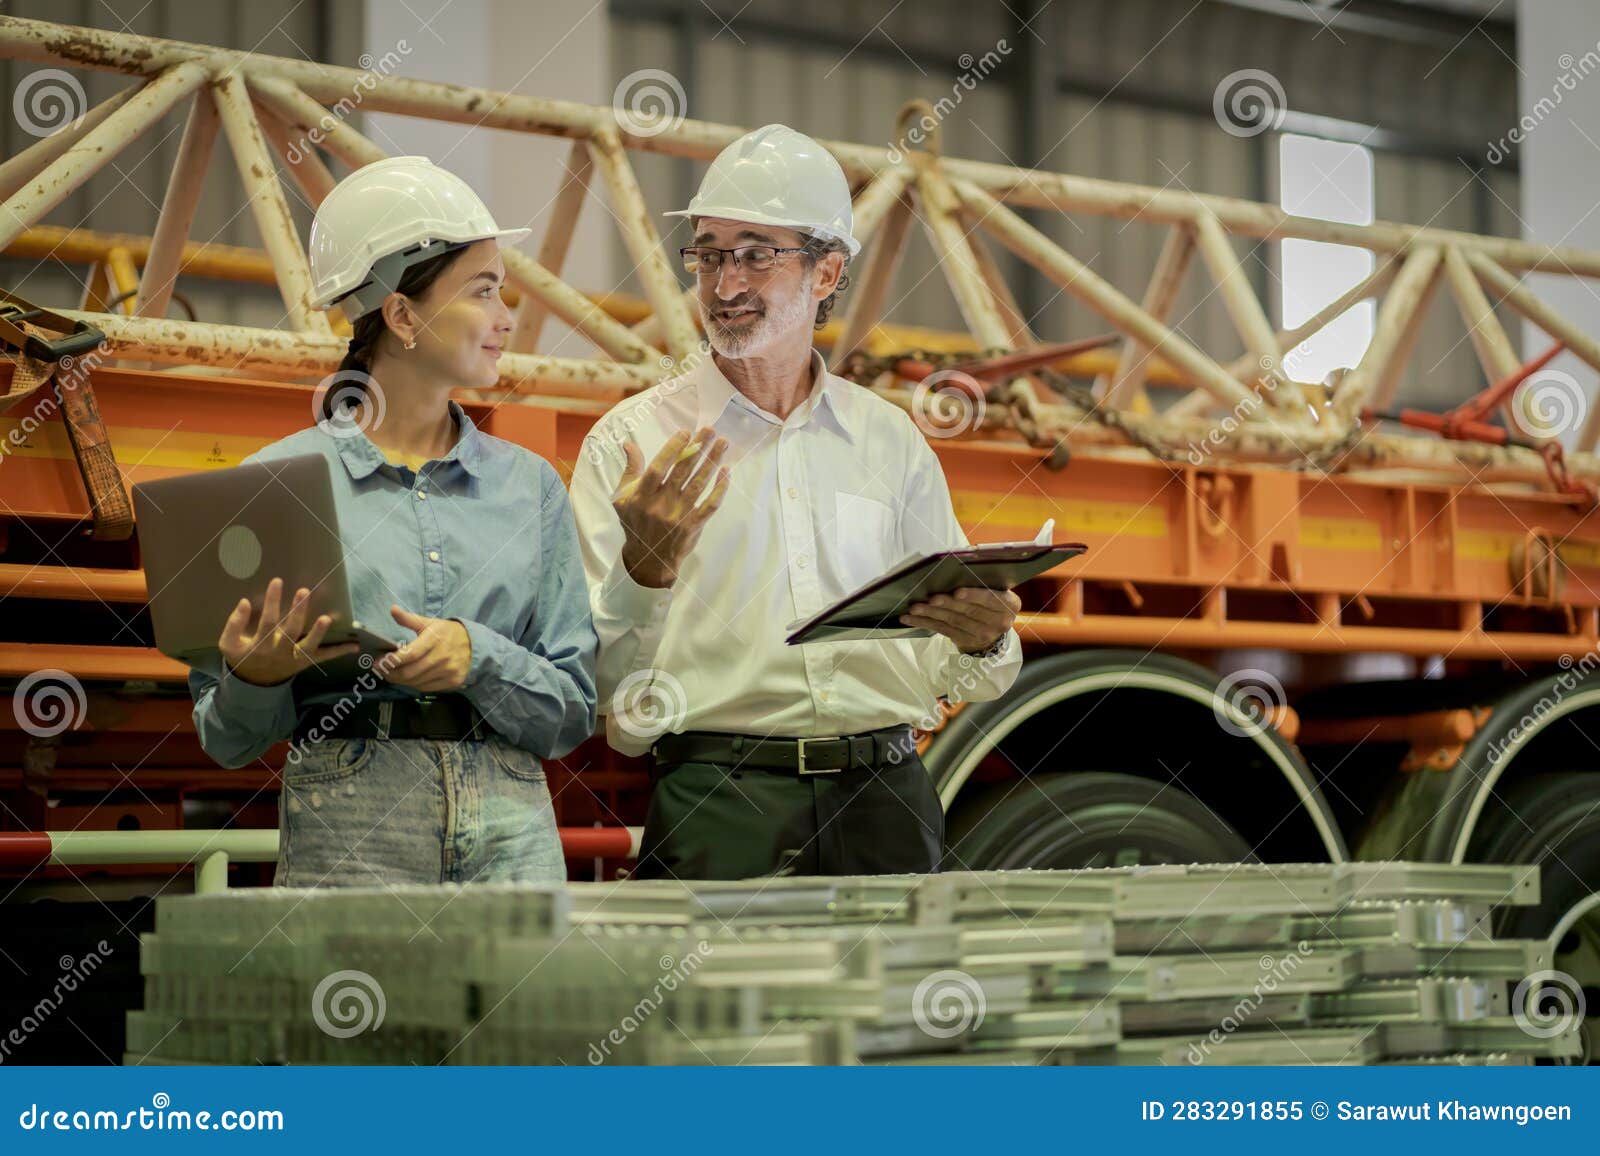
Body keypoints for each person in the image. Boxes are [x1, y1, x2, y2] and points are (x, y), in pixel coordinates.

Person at [569, 125, 1022, 881]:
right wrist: (642, 573)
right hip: (721, 802)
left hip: (888, 799)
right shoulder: (632, 445)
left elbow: (958, 672)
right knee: (715, 1004)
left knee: (893, 1002)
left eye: (757, 254)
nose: (725, 285)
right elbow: (601, 693)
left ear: (826, 271)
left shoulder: (890, 442)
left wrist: (984, 640)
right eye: (710, 253)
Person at [187, 156, 597, 888]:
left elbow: (572, 714)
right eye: (483, 291)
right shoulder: (273, 483)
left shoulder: (530, 487)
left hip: (512, 812)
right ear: (403, 316)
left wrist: (481, 657)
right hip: (351, 812)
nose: (507, 318)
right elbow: (225, 738)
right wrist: (255, 675)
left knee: (524, 1008)